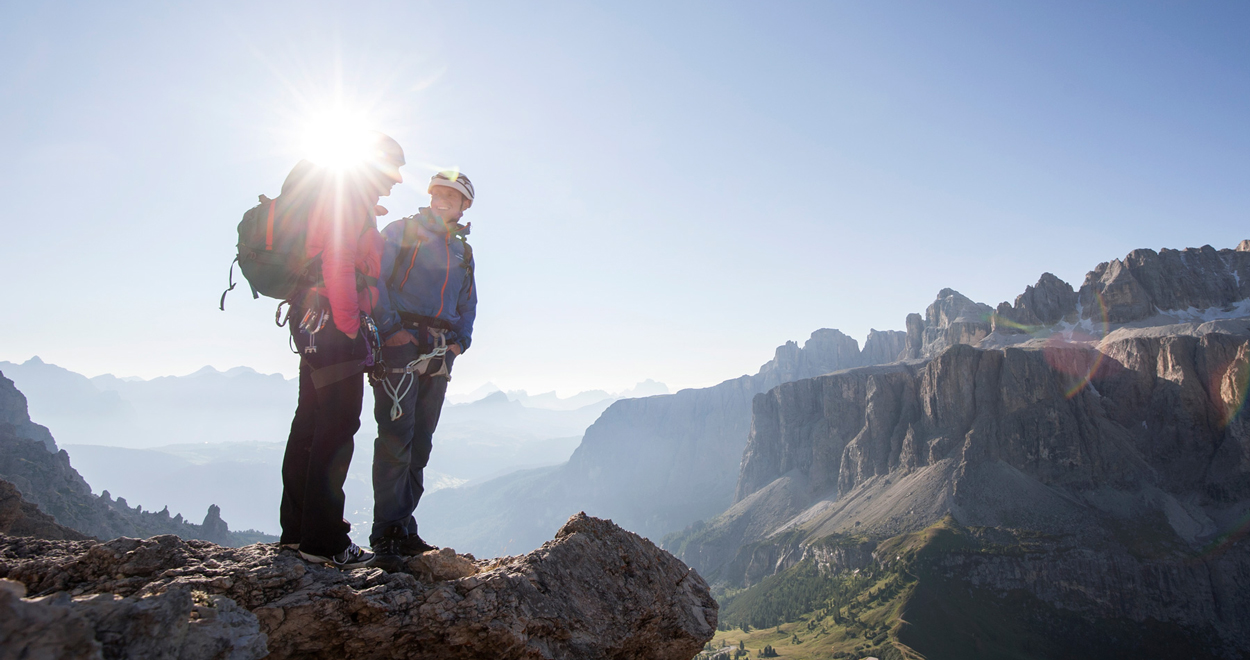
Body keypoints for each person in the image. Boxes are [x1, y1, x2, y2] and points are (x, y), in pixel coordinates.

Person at [277, 132, 405, 569]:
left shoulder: (343, 198)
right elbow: (339, 261)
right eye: (392, 170)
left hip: (312, 317)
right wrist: (352, 329)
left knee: (310, 423)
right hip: (333, 322)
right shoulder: (348, 200)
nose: (395, 181)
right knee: (336, 426)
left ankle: (296, 534)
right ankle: (325, 540)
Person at [368, 171, 477, 571]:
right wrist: (391, 330)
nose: (446, 198)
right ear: (431, 195)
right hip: (401, 345)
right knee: (396, 436)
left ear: (465, 205)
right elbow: (374, 280)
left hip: (439, 351)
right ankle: (387, 535)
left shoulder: (463, 251)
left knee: (420, 442)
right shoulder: (402, 231)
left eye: (455, 195)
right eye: (441, 192)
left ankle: (404, 527)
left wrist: (459, 343)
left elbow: (469, 302)